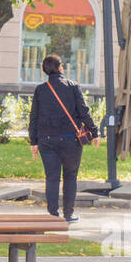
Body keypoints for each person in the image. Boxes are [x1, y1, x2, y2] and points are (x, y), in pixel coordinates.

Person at [28, 54, 100, 223]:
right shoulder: (73, 86)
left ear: (45, 71)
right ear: (61, 68)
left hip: (46, 140)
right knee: (70, 176)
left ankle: (53, 215)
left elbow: (34, 117)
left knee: (51, 178)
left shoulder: (40, 90)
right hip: (70, 141)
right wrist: (94, 133)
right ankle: (68, 214)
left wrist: (33, 141)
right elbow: (83, 112)